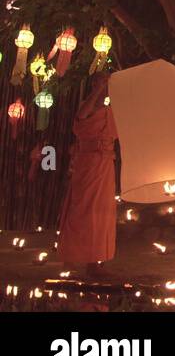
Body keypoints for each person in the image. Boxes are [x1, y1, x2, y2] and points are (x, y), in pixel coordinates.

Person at [58, 72, 117, 276]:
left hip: (106, 164)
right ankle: (72, 256)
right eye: (101, 83)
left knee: (102, 213)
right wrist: (98, 90)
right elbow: (82, 117)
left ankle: (95, 260)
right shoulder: (88, 105)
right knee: (82, 209)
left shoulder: (112, 110)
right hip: (88, 163)